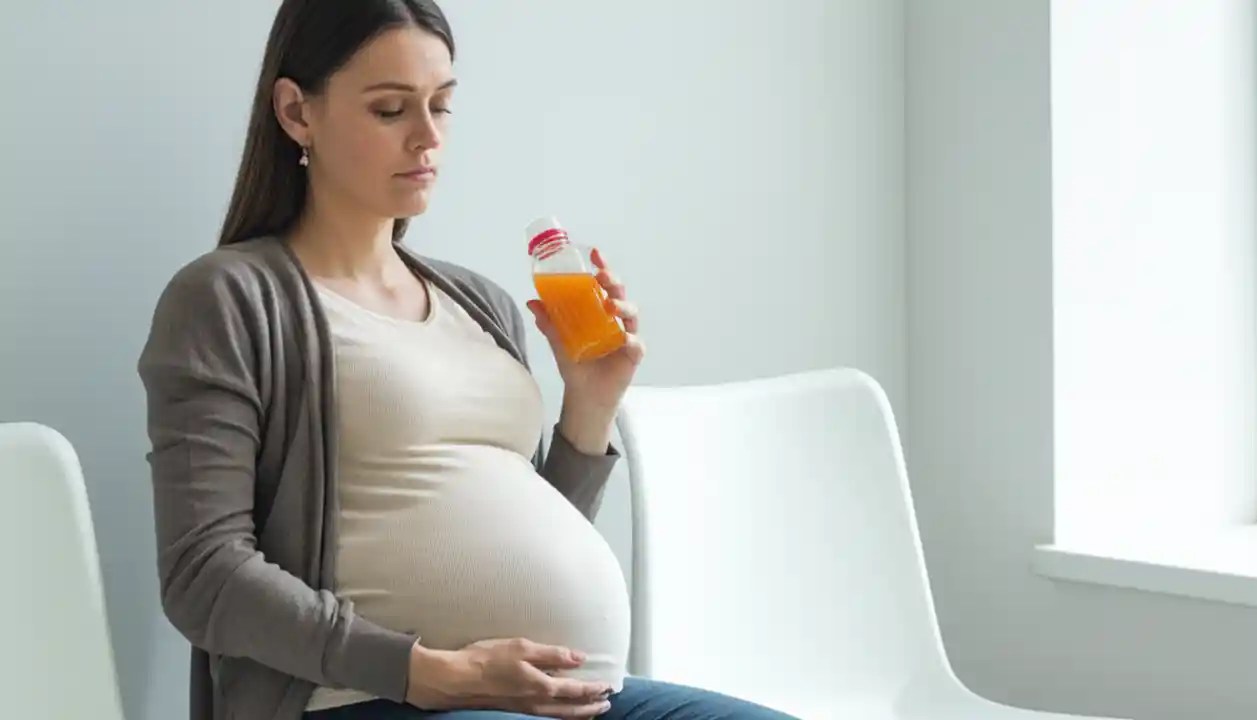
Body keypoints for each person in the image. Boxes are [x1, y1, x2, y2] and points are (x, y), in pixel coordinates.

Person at [137, 2, 800, 719]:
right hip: (367, 699)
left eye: (443, 107)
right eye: (391, 110)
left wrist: (589, 403)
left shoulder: (480, 302)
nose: (428, 139)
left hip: (561, 696)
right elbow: (203, 575)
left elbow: (533, 530)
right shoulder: (228, 300)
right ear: (297, 112)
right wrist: (424, 672)